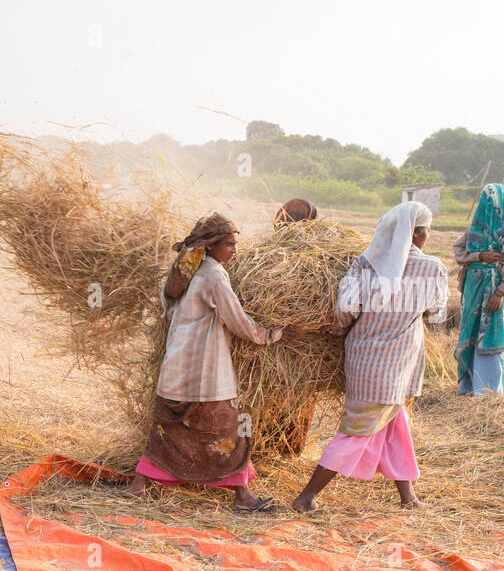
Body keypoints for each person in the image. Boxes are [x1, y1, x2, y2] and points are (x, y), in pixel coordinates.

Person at [292, 201, 448, 513]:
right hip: (395, 362)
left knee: (393, 424)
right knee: (355, 431)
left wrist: (341, 327)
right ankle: (305, 497)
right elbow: (437, 312)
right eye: (427, 229)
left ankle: (408, 497)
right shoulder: (432, 268)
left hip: (364, 358)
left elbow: (345, 311)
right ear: (417, 234)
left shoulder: (365, 265)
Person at [129, 213, 289, 513]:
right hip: (205, 377)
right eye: (229, 244)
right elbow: (238, 322)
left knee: (167, 432)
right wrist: (272, 335)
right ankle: (242, 496)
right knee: (230, 433)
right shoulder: (213, 276)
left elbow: (168, 304)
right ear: (211, 246)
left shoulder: (186, 273)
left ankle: (139, 486)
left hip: (175, 372)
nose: (234, 250)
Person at [452, 183, 504, 396]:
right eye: (486, 199)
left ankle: (488, 391)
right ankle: (468, 386)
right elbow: (458, 250)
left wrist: (500, 292)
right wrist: (479, 256)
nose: (489, 204)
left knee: (490, 334)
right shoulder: (477, 225)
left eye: (493, 199)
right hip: (471, 288)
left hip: (493, 287)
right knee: (471, 332)